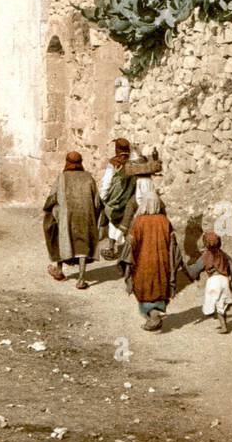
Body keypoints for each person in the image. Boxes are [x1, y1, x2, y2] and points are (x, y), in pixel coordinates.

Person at [120, 180, 185, 331]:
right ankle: (156, 312)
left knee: (145, 289)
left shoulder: (139, 221)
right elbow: (172, 242)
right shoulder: (164, 221)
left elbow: (132, 244)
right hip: (162, 262)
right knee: (159, 286)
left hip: (143, 263)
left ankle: (153, 315)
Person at [42, 150, 107, 290]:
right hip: (85, 217)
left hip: (67, 218)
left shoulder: (62, 178)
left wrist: (48, 209)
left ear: (67, 162)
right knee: (82, 246)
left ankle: (59, 271)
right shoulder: (89, 177)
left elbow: (52, 197)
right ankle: (81, 280)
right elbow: (97, 202)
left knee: (56, 229)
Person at [186, 230, 232, 333]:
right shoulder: (224, 255)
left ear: (205, 243)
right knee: (220, 303)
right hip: (224, 280)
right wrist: (231, 281)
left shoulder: (206, 256)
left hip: (213, 281)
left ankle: (213, 312)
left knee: (209, 305)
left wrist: (185, 267)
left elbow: (194, 270)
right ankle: (224, 325)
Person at [99, 138, 136, 261]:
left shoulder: (114, 163)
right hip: (130, 197)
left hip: (115, 200)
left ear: (117, 149)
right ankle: (126, 249)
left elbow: (107, 182)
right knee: (127, 221)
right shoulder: (134, 163)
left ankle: (111, 247)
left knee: (112, 219)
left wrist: (103, 197)